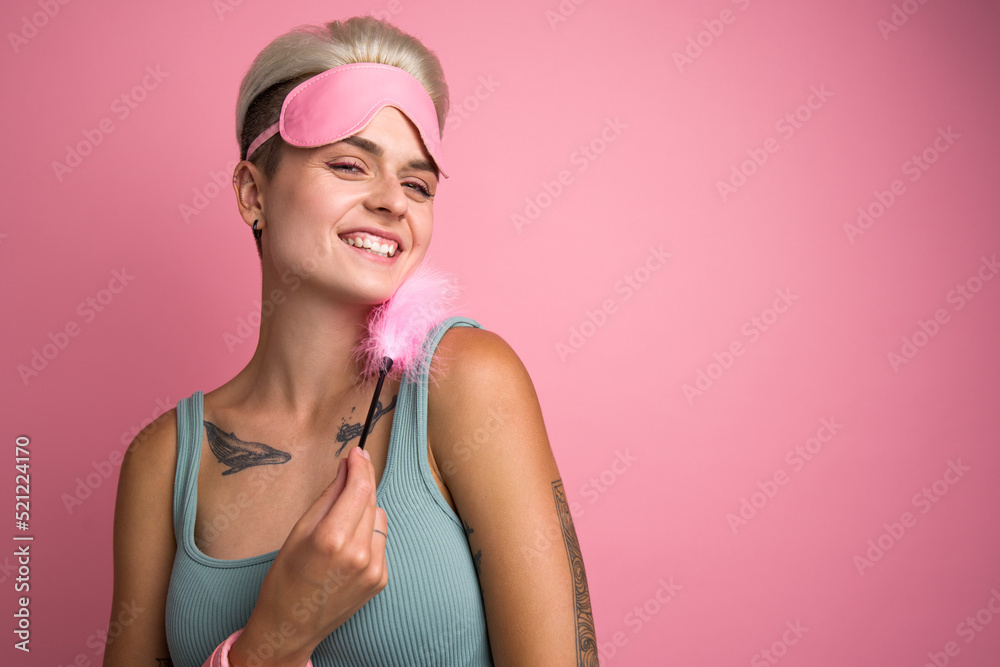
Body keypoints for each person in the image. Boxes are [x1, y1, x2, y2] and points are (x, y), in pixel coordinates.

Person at [105, 16, 597, 667]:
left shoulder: (464, 382)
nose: (393, 201)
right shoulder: (163, 461)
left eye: (417, 184)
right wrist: (271, 641)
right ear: (254, 192)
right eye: (349, 164)